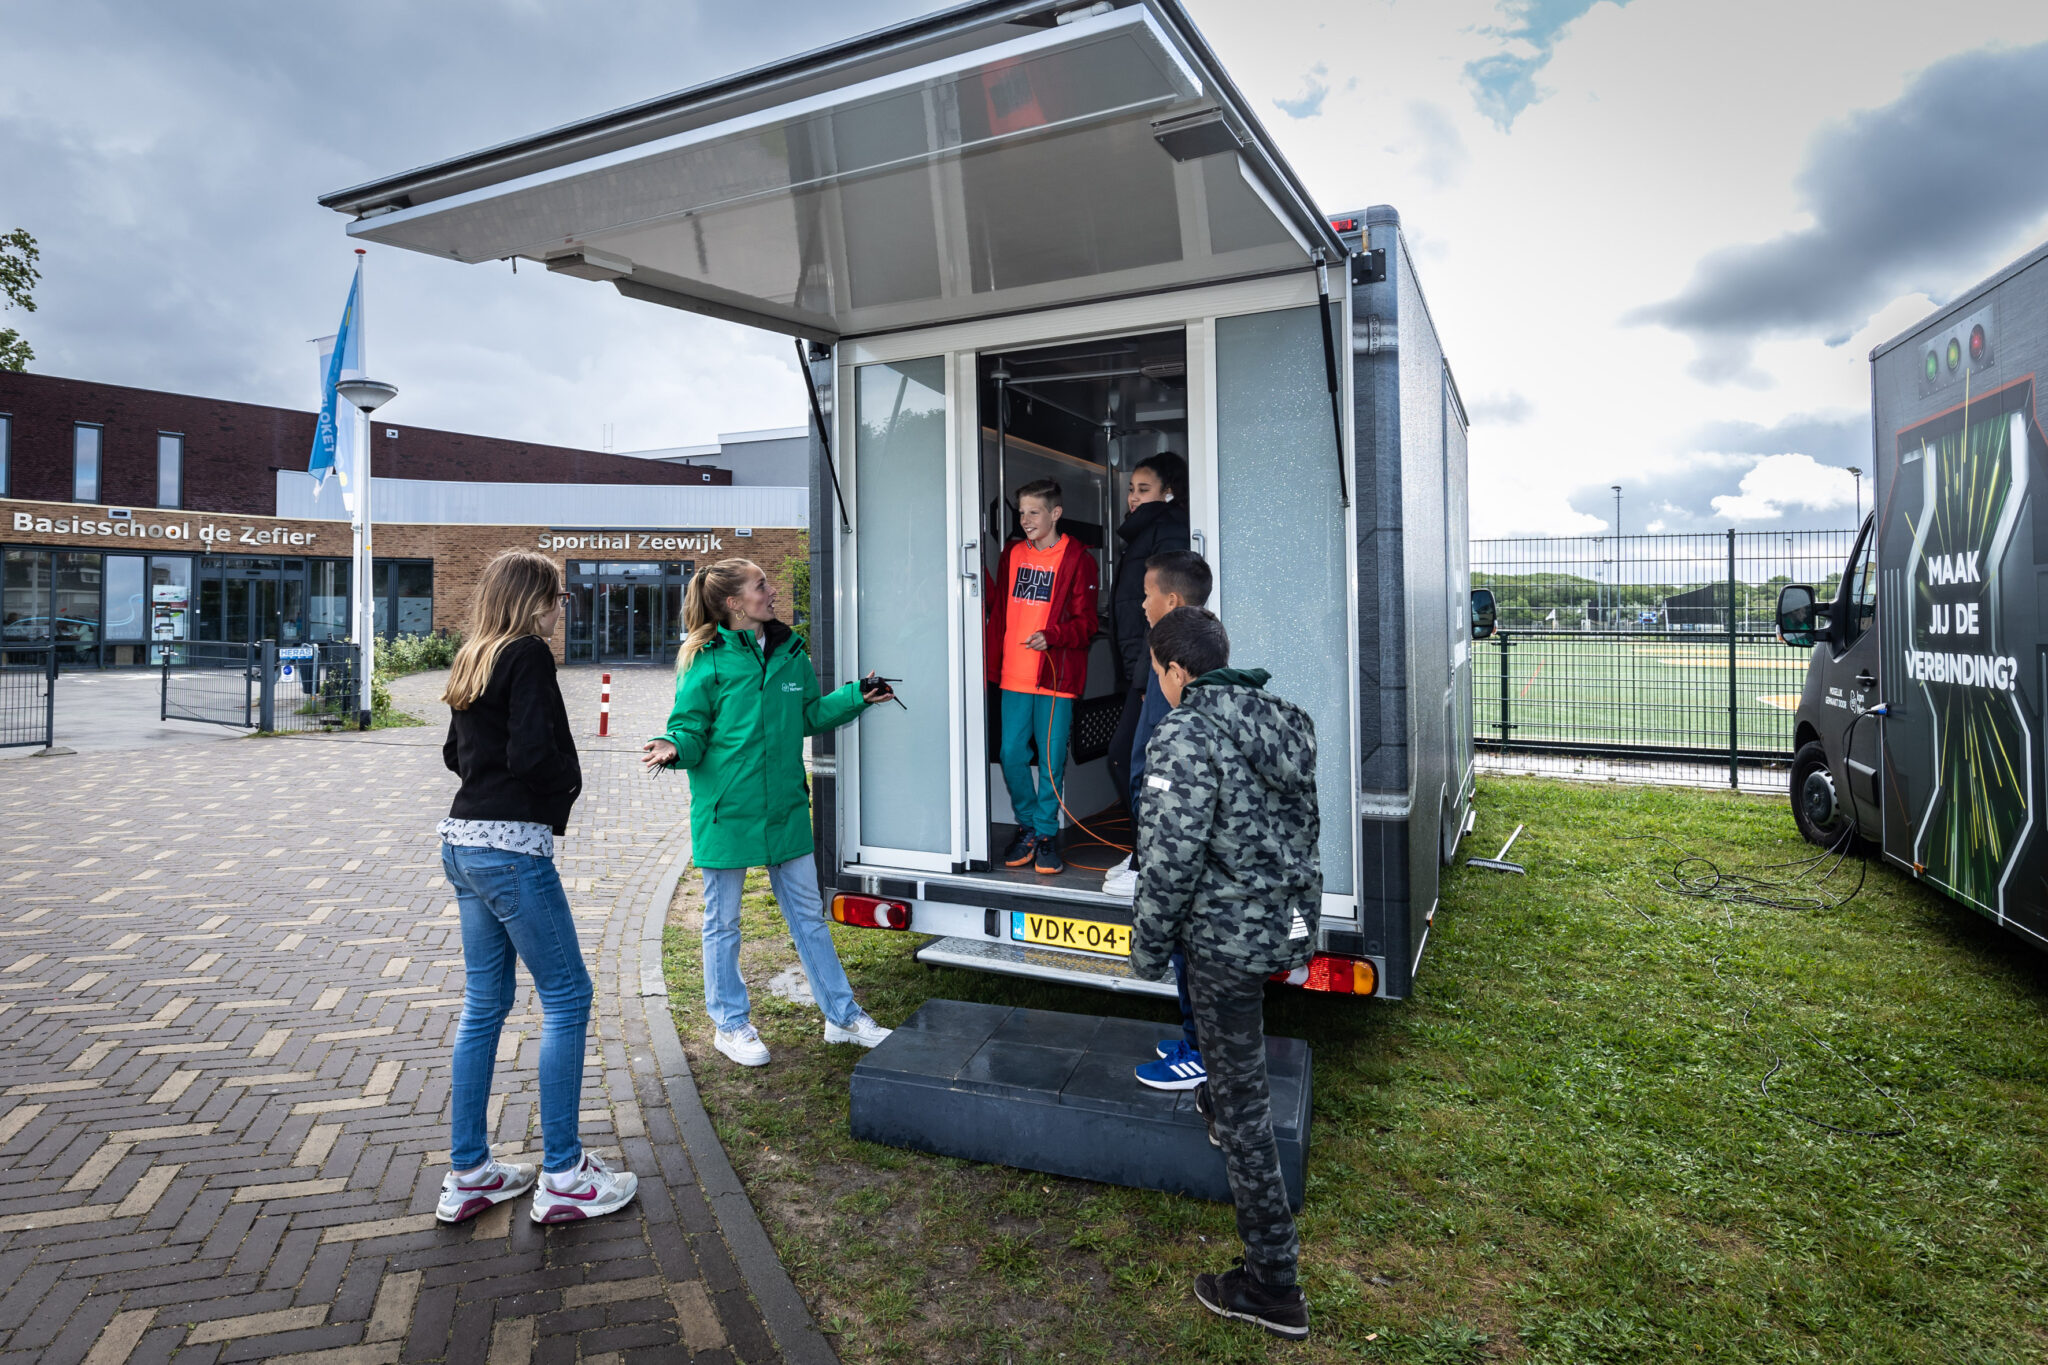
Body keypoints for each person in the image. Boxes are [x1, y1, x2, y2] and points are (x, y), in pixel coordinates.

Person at [1129, 606, 1320, 1341]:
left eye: (1157, 672)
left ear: (1178, 670)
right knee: (1231, 1073)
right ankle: (1216, 1094)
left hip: (1220, 947)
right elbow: (1298, 826)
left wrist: (1147, 949)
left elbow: (1170, 861)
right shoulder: (1287, 720)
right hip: (1278, 927)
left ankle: (1274, 1284)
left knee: (1245, 1113)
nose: (1159, 684)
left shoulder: (1184, 733)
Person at [436, 550, 636, 1226]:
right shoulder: (526, 654)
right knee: (569, 994)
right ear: (533, 598)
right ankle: (565, 1174)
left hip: (460, 843)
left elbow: (452, 755)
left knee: (484, 1003)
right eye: (558, 594)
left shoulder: (476, 653)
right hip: (510, 848)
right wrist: (560, 789)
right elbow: (530, 753)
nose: (563, 606)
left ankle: (469, 1173)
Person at [641, 558, 895, 1068]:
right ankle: (730, 1025)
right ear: (734, 603)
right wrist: (672, 745)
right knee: (724, 923)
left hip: (782, 808)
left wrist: (855, 697)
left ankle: (842, 1016)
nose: (771, 591)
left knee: (808, 917)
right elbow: (689, 727)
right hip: (725, 811)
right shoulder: (705, 661)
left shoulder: (790, 651)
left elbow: (807, 715)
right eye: (761, 586)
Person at [1120, 552, 1214, 1094]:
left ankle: (1201, 1054)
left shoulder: (1180, 661)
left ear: (1172, 601)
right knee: (1183, 949)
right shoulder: (1171, 652)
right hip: (1158, 824)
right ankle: (1191, 1036)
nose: (1141, 602)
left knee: (1189, 948)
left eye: (1149, 593)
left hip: (1171, 832)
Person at [983, 478, 1100, 876]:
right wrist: (990, 664)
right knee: (1012, 754)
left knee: (1050, 762)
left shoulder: (1079, 559)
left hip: (1055, 677)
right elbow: (998, 612)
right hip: (1013, 676)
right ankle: (1029, 825)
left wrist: (1052, 636)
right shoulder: (1011, 554)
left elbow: (1087, 625)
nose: (1026, 519)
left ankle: (1047, 834)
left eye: (1034, 511)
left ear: (1055, 513)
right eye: (1022, 512)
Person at [1105, 454, 1190, 814]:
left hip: (1156, 665)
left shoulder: (1165, 529)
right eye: (1131, 489)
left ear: (1168, 493)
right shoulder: (1145, 529)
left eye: (1144, 489)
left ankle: (1144, 855)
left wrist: (1144, 678)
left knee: (1129, 757)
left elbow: (1163, 611)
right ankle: (1142, 853)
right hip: (1147, 665)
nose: (1133, 497)